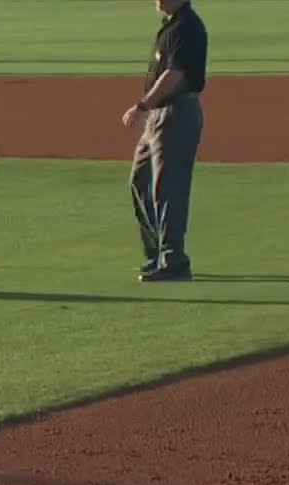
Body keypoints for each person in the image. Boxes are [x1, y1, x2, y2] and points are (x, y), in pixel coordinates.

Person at [122, 0, 208, 282]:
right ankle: (157, 253)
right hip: (161, 114)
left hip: (176, 112)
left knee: (168, 188)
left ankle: (174, 261)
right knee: (140, 180)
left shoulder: (187, 27)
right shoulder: (171, 25)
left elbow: (174, 75)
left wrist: (143, 105)